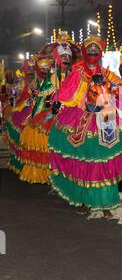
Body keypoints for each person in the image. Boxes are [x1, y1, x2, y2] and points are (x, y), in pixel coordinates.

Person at [48, 35, 122, 218]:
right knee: (84, 161)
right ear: (83, 51)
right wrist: (57, 104)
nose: (93, 51)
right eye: (90, 48)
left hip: (105, 118)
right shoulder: (76, 72)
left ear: (101, 52)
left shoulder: (107, 73)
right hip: (81, 119)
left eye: (96, 48)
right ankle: (85, 201)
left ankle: (105, 203)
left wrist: (109, 85)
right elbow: (65, 95)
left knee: (105, 162)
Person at [19, 43, 73, 184]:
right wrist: (35, 116)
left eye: (68, 56)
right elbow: (41, 99)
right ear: (56, 59)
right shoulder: (51, 78)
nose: (66, 59)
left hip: (72, 112)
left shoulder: (74, 75)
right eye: (63, 56)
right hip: (52, 112)